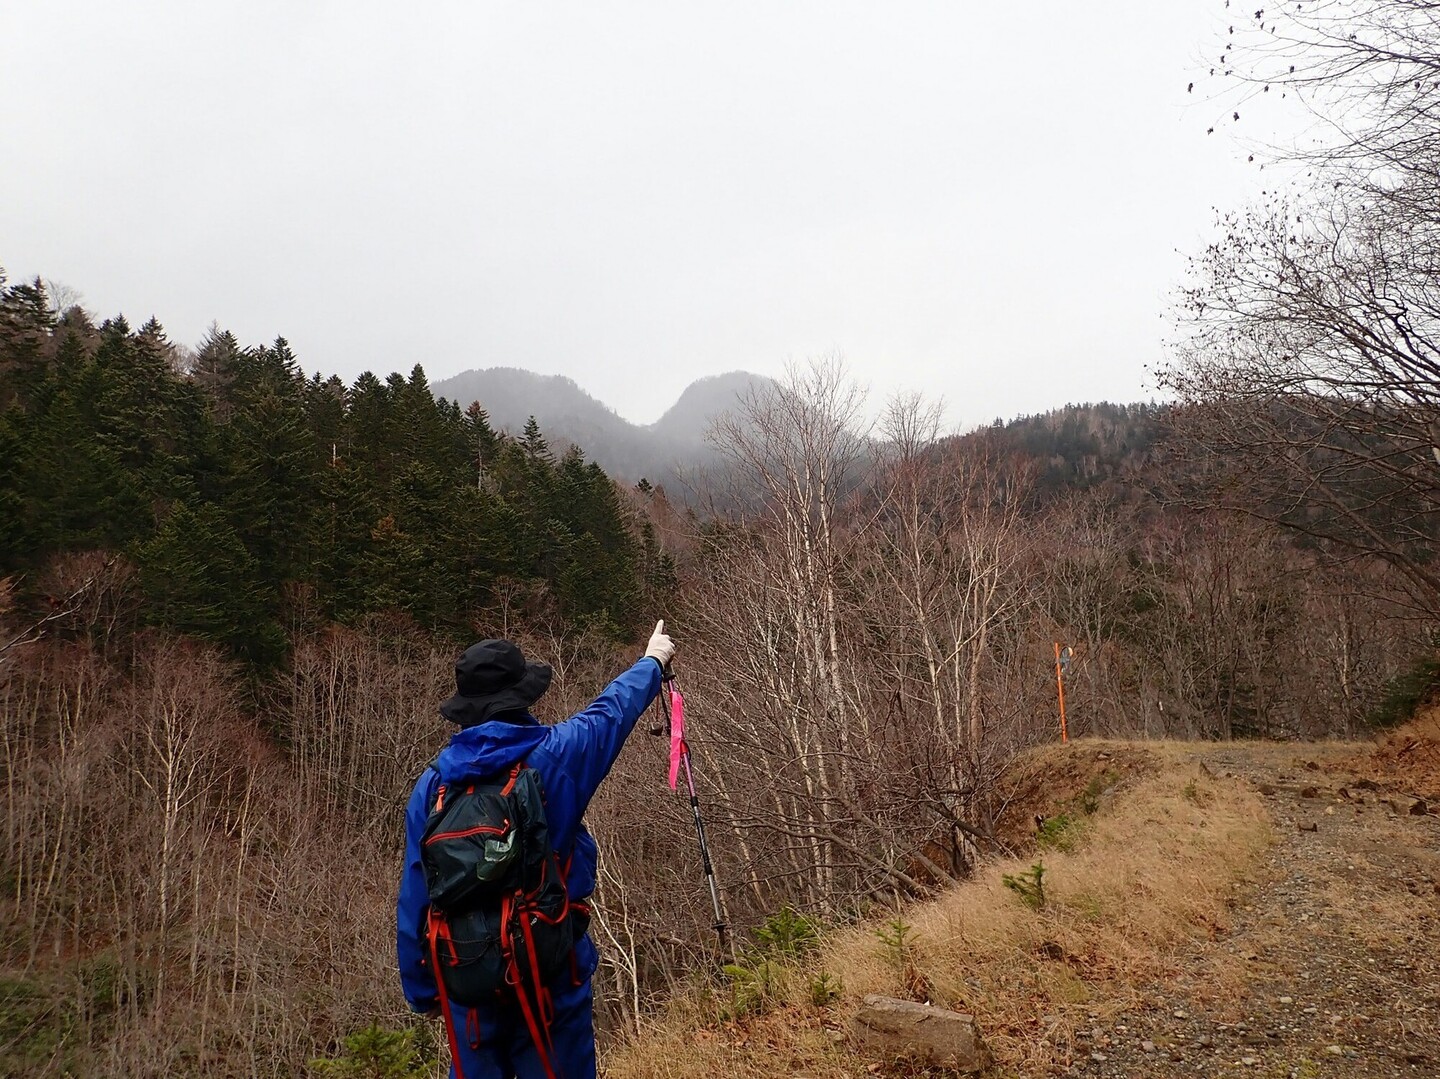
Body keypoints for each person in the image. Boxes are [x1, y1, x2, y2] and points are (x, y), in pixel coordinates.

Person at [397, 621, 677, 1079]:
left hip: (467, 983)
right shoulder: (557, 756)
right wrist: (652, 661)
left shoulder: (433, 787)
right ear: (521, 698)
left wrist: (422, 990)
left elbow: (416, 894)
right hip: (549, 976)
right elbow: (611, 712)